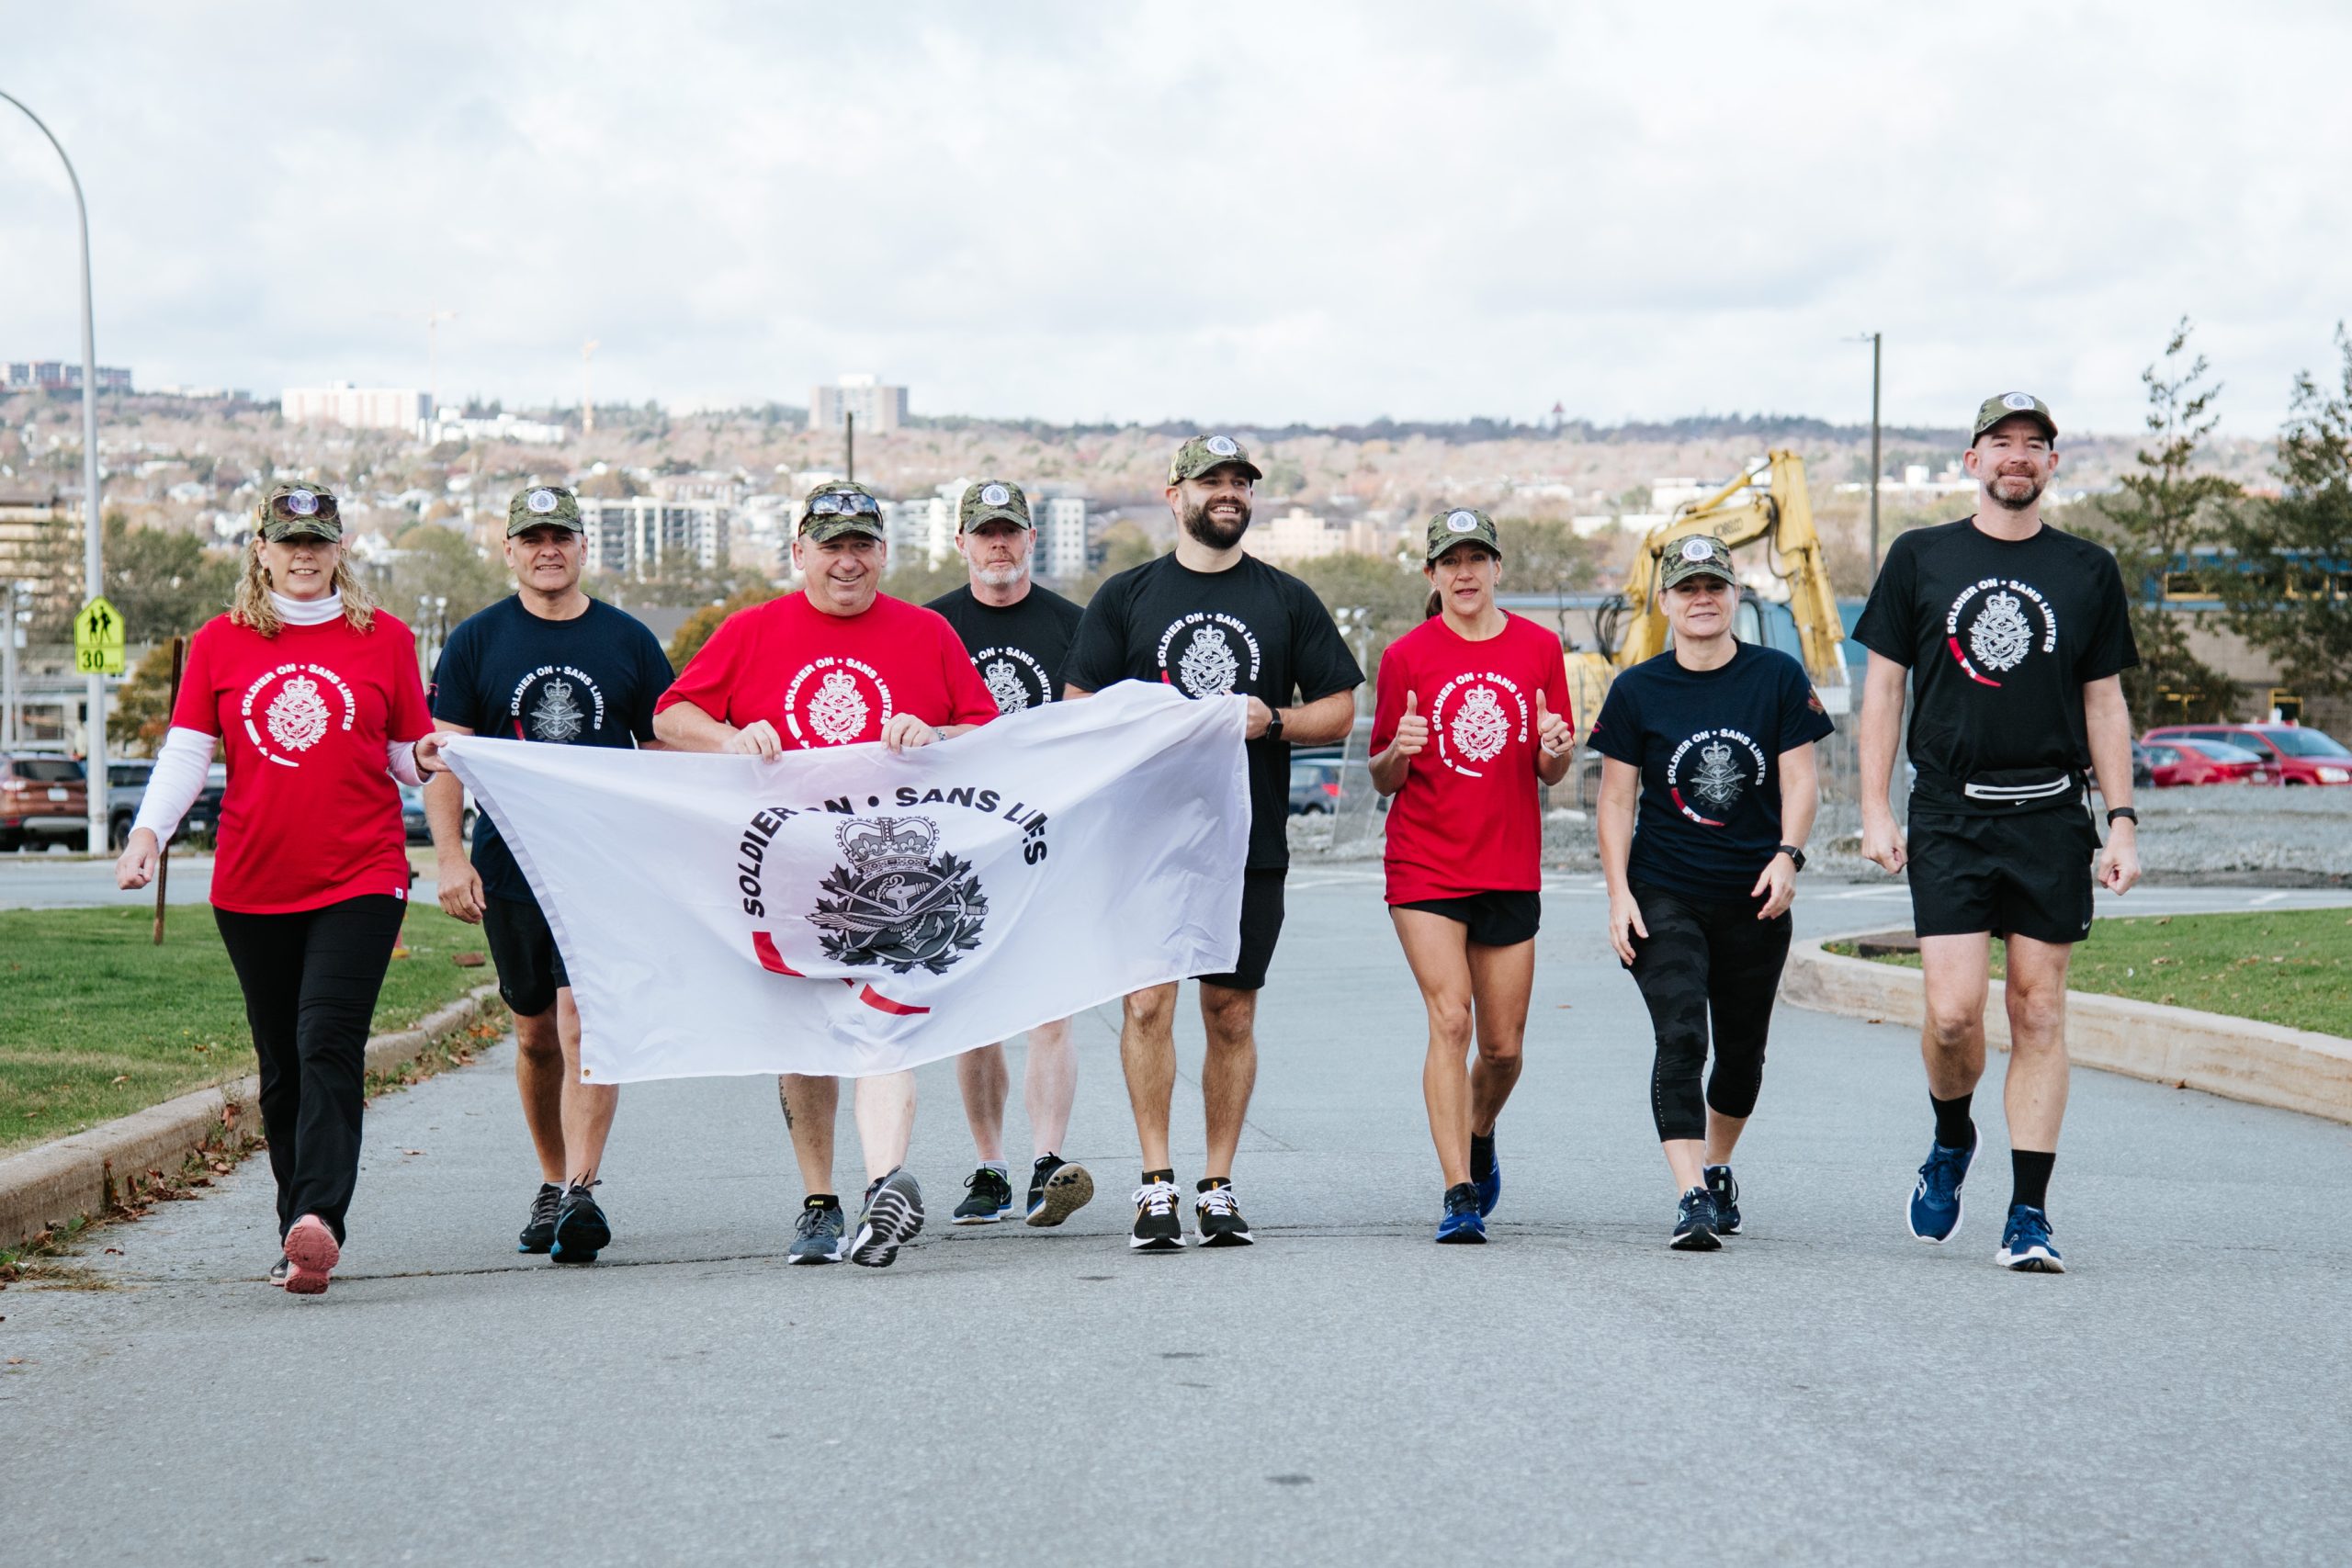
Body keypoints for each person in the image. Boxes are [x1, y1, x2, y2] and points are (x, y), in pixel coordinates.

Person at [652, 480, 999, 1268]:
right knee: (805, 1040)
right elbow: (670, 715)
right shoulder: (750, 631)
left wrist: (935, 730)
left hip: (900, 876)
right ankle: (819, 1202)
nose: (848, 561)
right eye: (832, 545)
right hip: (787, 877)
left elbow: (988, 734)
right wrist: (730, 736)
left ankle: (885, 1190)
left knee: (887, 1027)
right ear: (799, 551)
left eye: (862, 545)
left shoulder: (929, 632)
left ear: (884, 553)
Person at [114, 483, 432, 1296]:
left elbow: (404, 754)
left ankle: (321, 1214)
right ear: (260, 550)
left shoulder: (385, 639)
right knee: (282, 1060)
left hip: (363, 873)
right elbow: (187, 753)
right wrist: (149, 831)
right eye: (287, 541)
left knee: (327, 1038)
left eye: (318, 541)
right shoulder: (223, 642)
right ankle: (298, 1233)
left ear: (340, 550)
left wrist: (432, 759)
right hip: (252, 882)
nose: (303, 554)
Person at [1853, 393, 2140, 1275]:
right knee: (1949, 1016)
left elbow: (2105, 702)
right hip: (1949, 811)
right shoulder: (1920, 558)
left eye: (2035, 445)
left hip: (2052, 813)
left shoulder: (2087, 570)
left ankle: (2028, 1213)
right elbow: (1884, 691)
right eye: (2002, 443)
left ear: (2053, 465)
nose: (2018, 457)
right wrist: (1873, 805)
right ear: (1973, 459)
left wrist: (2121, 821)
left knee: (2039, 1008)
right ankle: (1950, 1140)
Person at [1064, 434, 1363, 1252]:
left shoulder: (1287, 596)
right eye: (1212, 482)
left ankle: (1218, 1183)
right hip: (1146, 841)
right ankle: (1156, 1182)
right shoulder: (1126, 596)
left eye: (1239, 482)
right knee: (1147, 1004)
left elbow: (1337, 706)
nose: (1228, 493)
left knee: (1229, 1012)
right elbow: (1078, 704)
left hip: (1248, 838)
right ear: (1175, 495)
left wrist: (1277, 720)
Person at [412, 484, 673, 1266]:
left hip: (603, 863)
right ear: (510, 551)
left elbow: (660, 752)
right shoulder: (476, 642)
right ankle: (551, 1180)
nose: (548, 549)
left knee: (583, 1020)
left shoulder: (627, 640)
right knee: (534, 1033)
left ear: (584, 546)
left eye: (561, 535)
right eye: (532, 538)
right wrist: (450, 856)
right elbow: (445, 758)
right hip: (511, 862)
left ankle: (583, 1192)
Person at [1592, 535, 1834, 1250]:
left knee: (1741, 1056)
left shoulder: (1778, 678)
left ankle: (1719, 1163)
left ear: (1734, 596)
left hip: (1756, 896)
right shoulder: (1637, 688)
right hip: (1663, 890)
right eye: (1687, 587)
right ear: (1664, 601)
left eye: (1714, 586)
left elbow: (1800, 780)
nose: (1702, 598)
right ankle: (1691, 1193)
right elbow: (1614, 803)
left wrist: (1788, 856)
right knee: (1680, 1036)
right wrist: (1617, 893)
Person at [1368, 509, 1574, 1244]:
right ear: (1431, 574)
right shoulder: (1406, 657)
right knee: (1449, 1019)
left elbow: (1552, 764)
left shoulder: (1540, 649)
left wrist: (1557, 748)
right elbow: (1381, 775)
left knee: (1504, 1047)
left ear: (1496, 569)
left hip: (1508, 863)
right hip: (1424, 860)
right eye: (1449, 561)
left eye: (1476, 558)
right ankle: (1458, 1190)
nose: (1464, 572)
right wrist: (1401, 747)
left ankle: (1480, 1127)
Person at [923, 479, 1094, 1228]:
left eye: (1010, 531)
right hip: (961, 848)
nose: (998, 544)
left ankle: (1046, 1164)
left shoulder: (1077, 626)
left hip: (1051, 840)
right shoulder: (928, 628)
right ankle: (990, 1165)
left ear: (1032, 539)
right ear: (960, 541)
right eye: (984, 532)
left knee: (1050, 1010)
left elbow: (1103, 731)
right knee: (975, 1015)